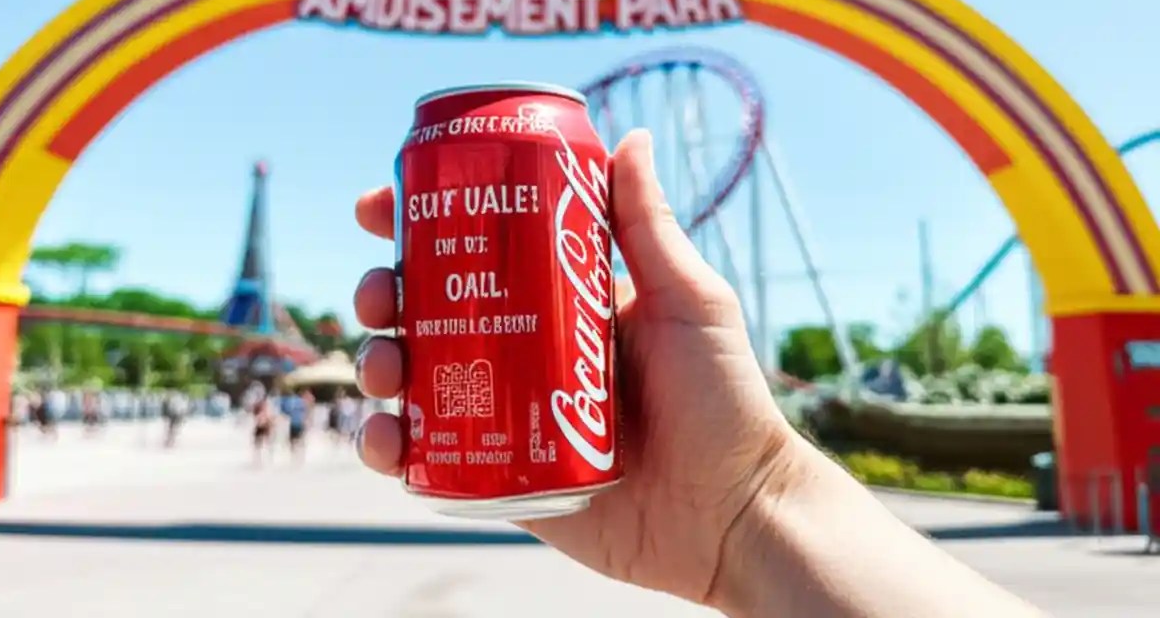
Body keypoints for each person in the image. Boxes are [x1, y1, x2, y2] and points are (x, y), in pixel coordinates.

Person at [349, 130, 1046, 618]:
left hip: (609, 460)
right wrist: (743, 518)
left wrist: (748, 502)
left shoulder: (542, 143)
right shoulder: (451, 148)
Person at [281, 388, 314, 462]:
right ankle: (301, 456)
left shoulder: (291, 401)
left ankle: (294, 456)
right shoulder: (302, 402)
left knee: (293, 441)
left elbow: (287, 412)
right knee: (300, 440)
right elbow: (307, 412)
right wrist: (308, 420)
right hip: (300, 423)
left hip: (293, 423)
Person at [251, 394, 279, 466]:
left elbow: (272, 418)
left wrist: (271, 423)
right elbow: (256, 418)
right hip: (261, 427)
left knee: (266, 443)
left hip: (265, 426)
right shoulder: (259, 408)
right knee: (259, 444)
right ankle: (259, 459)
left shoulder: (267, 408)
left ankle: (267, 459)